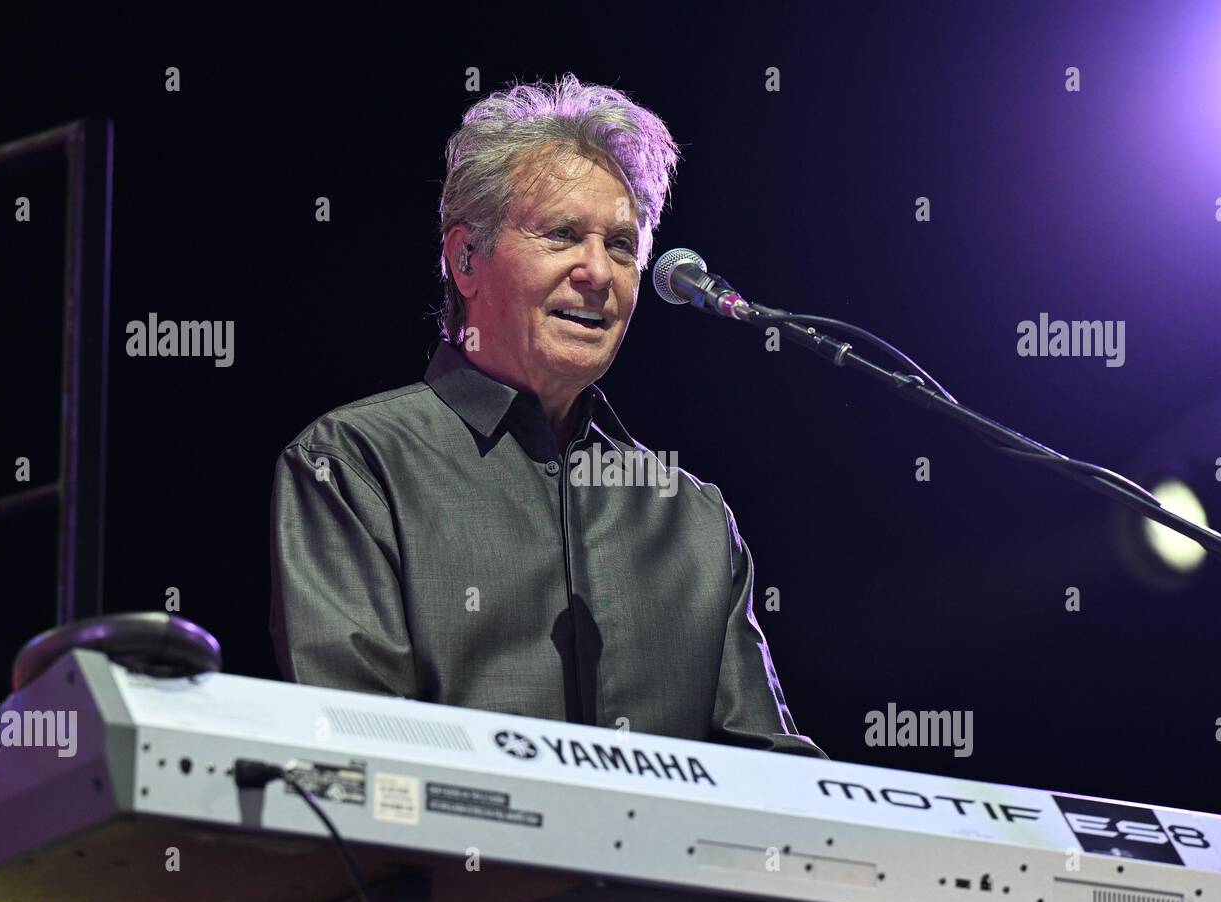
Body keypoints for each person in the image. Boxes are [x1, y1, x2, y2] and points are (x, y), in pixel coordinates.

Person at [269, 74, 825, 759]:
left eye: (622, 245)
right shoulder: (357, 464)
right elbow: (358, 753)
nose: (598, 270)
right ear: (466, 257)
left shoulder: (693, 519)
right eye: (562, 234)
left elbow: (774, 788)